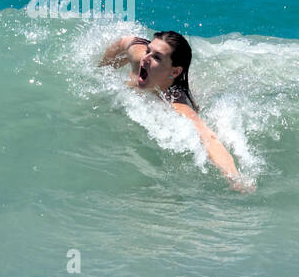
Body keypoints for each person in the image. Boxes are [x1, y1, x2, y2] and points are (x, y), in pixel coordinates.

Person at [98, 31, 256, 191]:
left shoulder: (175, 103)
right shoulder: (140, 59)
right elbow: (125, 41)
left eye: (157, 57)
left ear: (175, 71)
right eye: (148, 51)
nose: (146, 58)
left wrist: (234, 178)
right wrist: (102, 70)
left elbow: (209, 139)